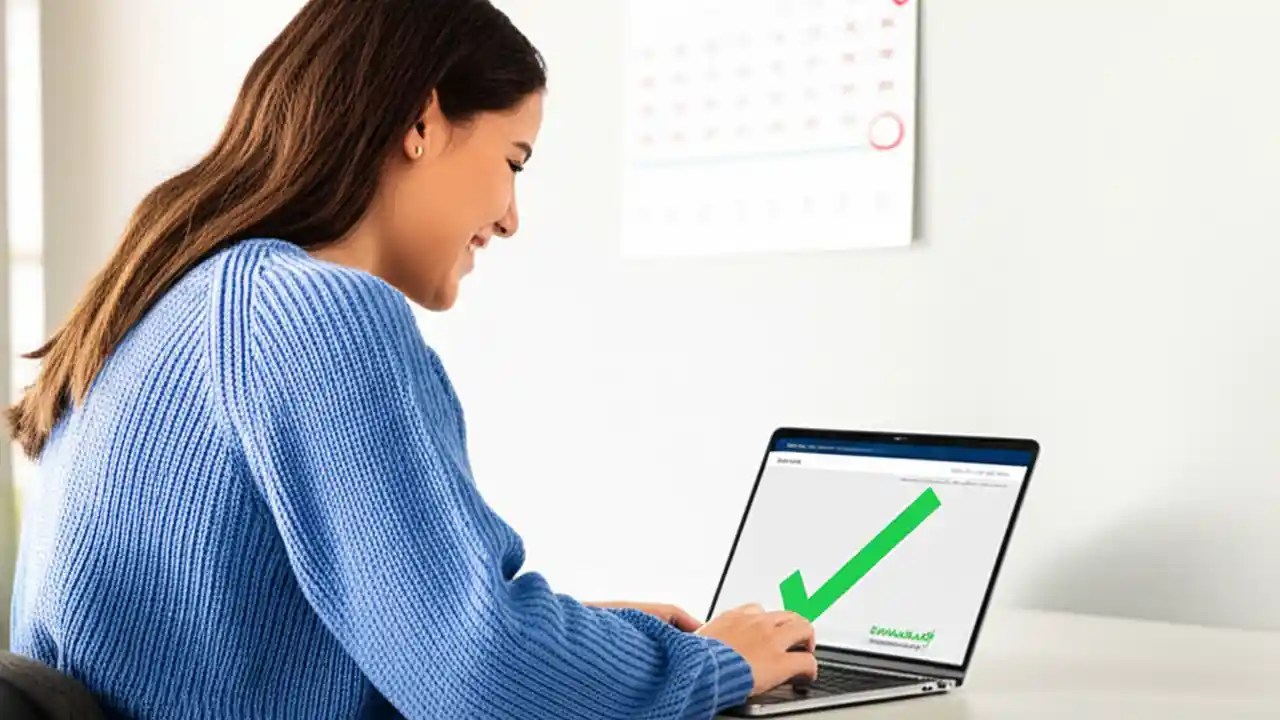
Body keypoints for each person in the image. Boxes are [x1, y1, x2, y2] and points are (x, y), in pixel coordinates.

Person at [6, 1, 818, 718]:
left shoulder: (177, 298)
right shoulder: (313, 311)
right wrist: (712, 663)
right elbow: (478, 677)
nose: (509, 219)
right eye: (513, 162)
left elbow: (340, 648)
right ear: (422, 121)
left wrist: (588, 649)